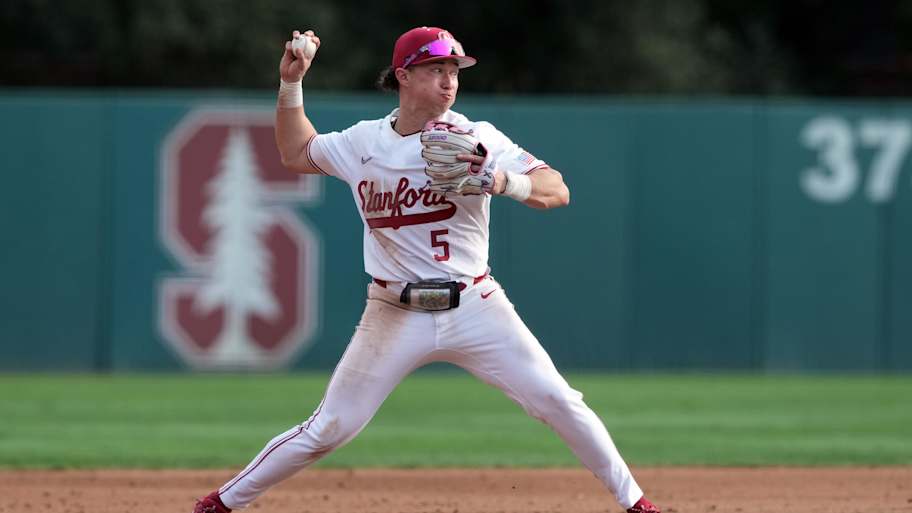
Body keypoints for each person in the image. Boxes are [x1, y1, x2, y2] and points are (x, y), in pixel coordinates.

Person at [192, 26, 661, 513]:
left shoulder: (476, 138)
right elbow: (295, 152)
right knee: (331, 427)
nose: (449, 80)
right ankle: (220, 503)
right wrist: (291, 84)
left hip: (475, 304)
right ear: (403, 75)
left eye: (454, 70)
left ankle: (637, 504)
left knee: (558, 400)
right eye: (436, 69)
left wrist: (500, 180)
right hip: (393, 309)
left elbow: (556, 189)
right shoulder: (363, 142)